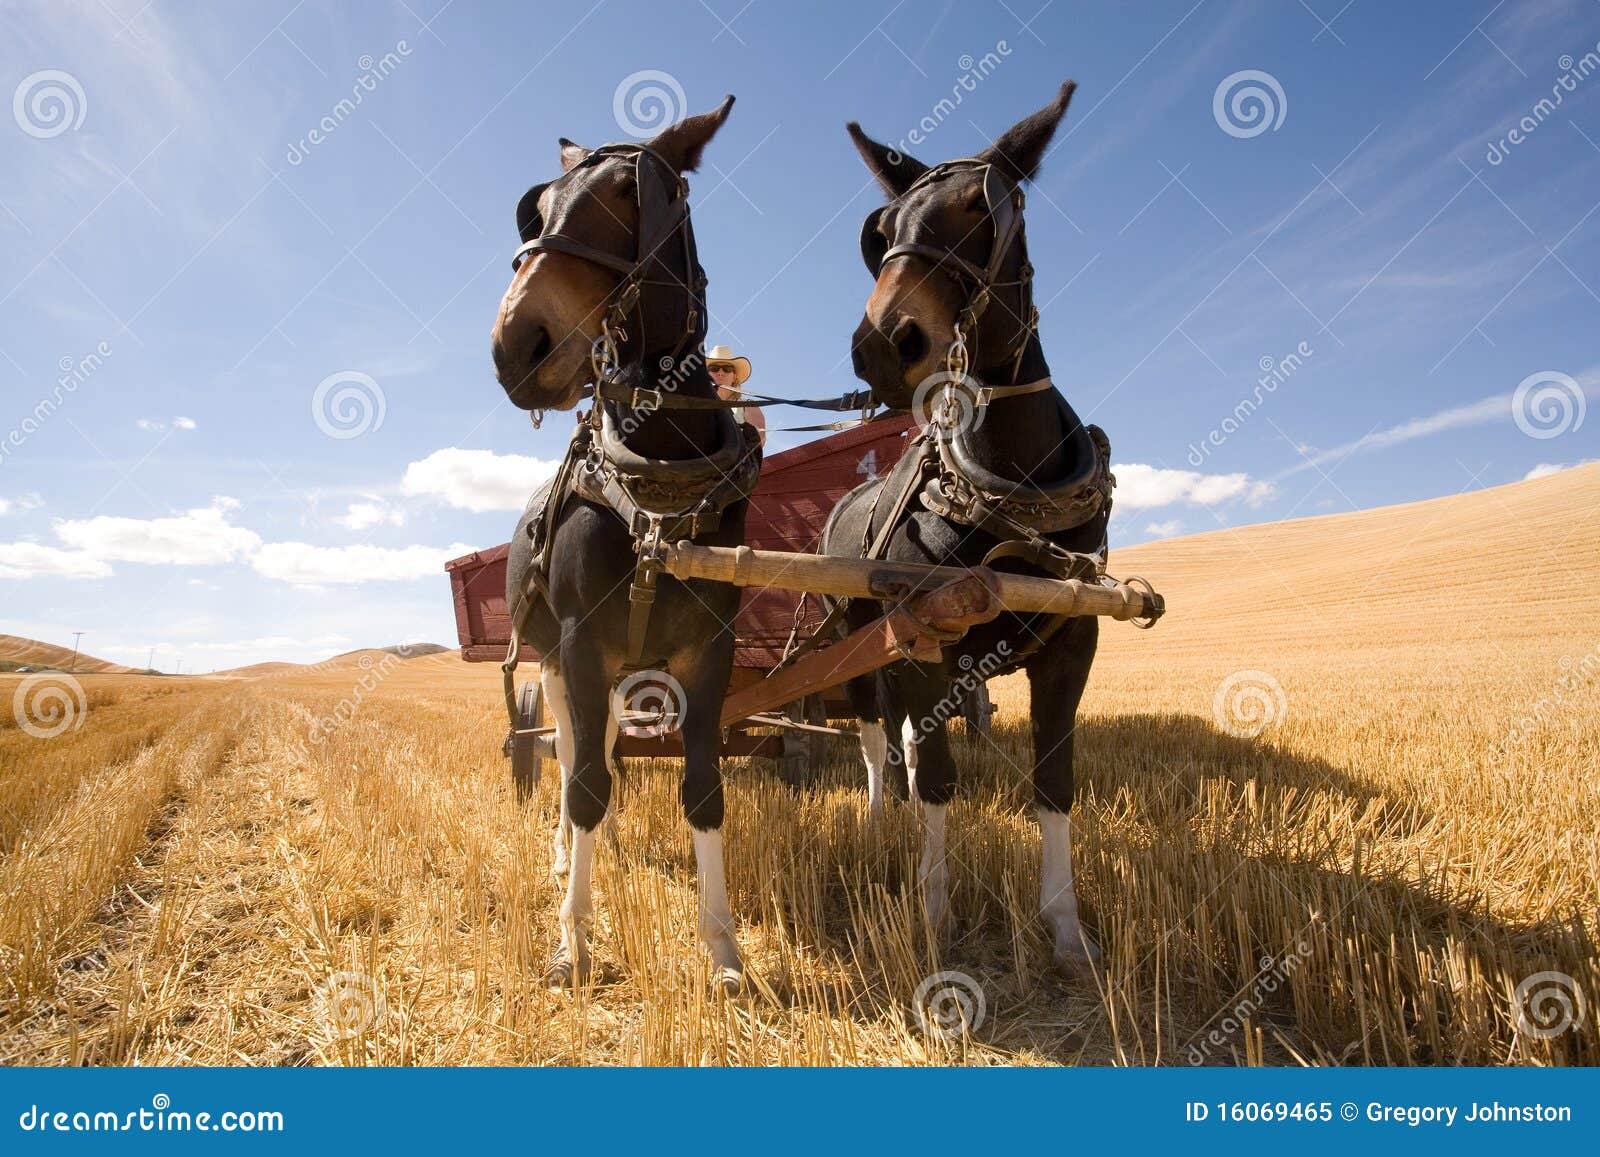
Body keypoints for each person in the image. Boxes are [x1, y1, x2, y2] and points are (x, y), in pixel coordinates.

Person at [705, 344, 765, 445]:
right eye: (714, 368)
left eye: (727, 369)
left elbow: (759, 441)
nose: (720, 373)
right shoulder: (697, 406)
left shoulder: (748, 406)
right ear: (707, 374)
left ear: (734, 377)